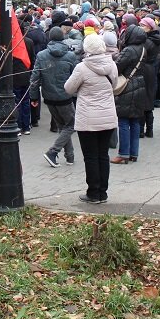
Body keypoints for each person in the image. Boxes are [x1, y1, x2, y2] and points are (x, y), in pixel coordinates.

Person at [64, 33, 118, 204]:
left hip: (87, 118)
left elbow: (68, 88)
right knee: (103, 155)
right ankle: (103, 192)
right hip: (108, 116)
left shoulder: (81, 68)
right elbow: (114, 85)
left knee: (91, 156)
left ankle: (93, 192)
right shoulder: (112, 65)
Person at [31, 27, 79, 168]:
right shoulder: (70, 56)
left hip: (49, 96)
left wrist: (34, 97)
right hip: (65, 96)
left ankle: (69, 156)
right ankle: (53, 151)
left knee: (63, 126)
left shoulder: (41, 55)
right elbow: (75, 77)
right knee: (71, 125)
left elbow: (35, 78)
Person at [111, 24, 150, 164]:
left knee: (123, 120)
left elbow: (117, 67)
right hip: (140, 84)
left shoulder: (129, 50)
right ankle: (134, 153)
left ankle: (123, 153)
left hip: (128, 86)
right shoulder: (143, 49)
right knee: (135, 121)